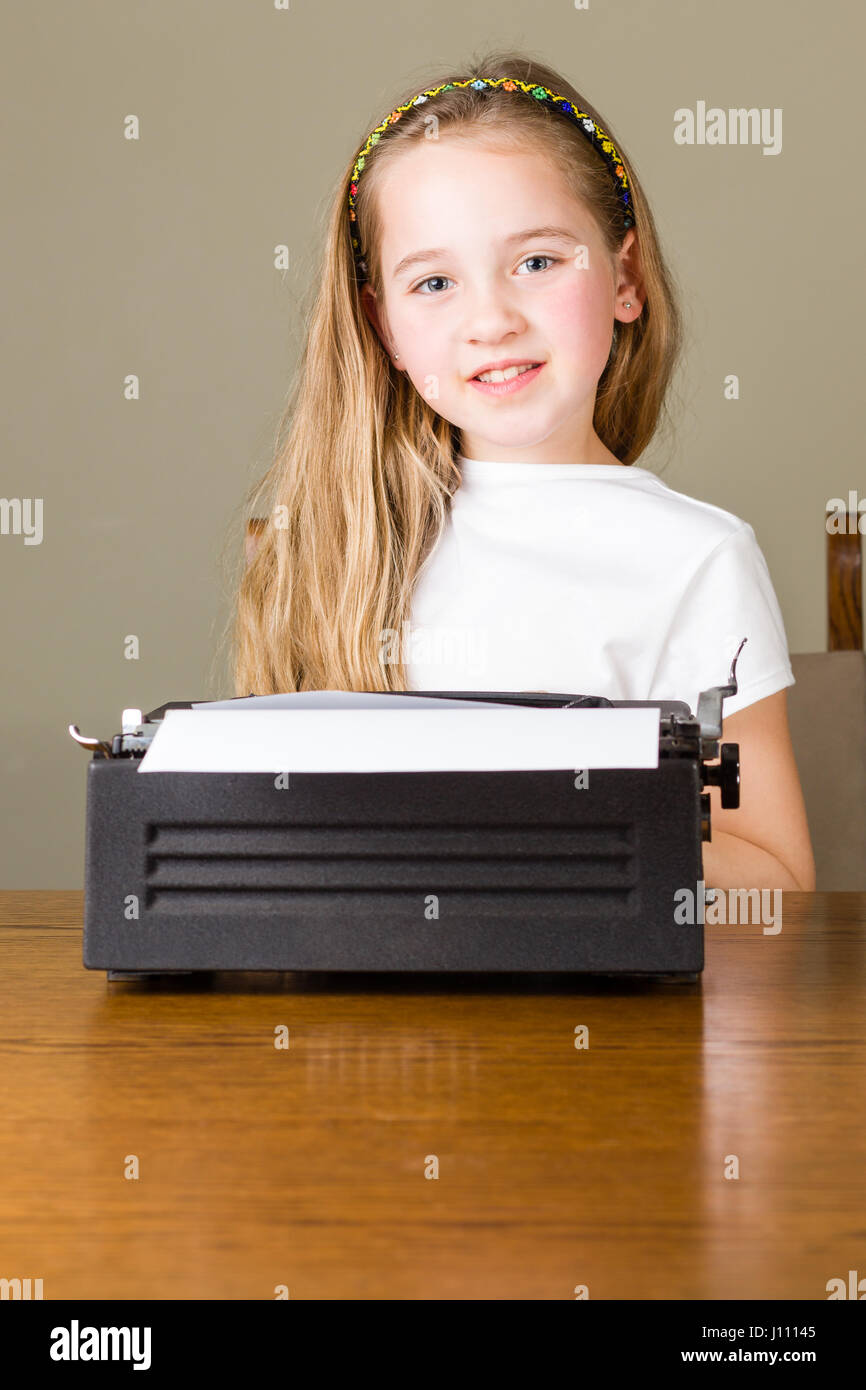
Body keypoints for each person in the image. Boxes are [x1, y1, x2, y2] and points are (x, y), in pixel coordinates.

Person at [231, 50, 815, 891]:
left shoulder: (701, 558)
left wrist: (537, 823)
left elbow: (779, 887)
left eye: (537, 263)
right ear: (384, 328)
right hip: (377, 1017)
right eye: (434, 282)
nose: (491, 320)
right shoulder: (326, 551)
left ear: (626, 275)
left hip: (607, 1017)